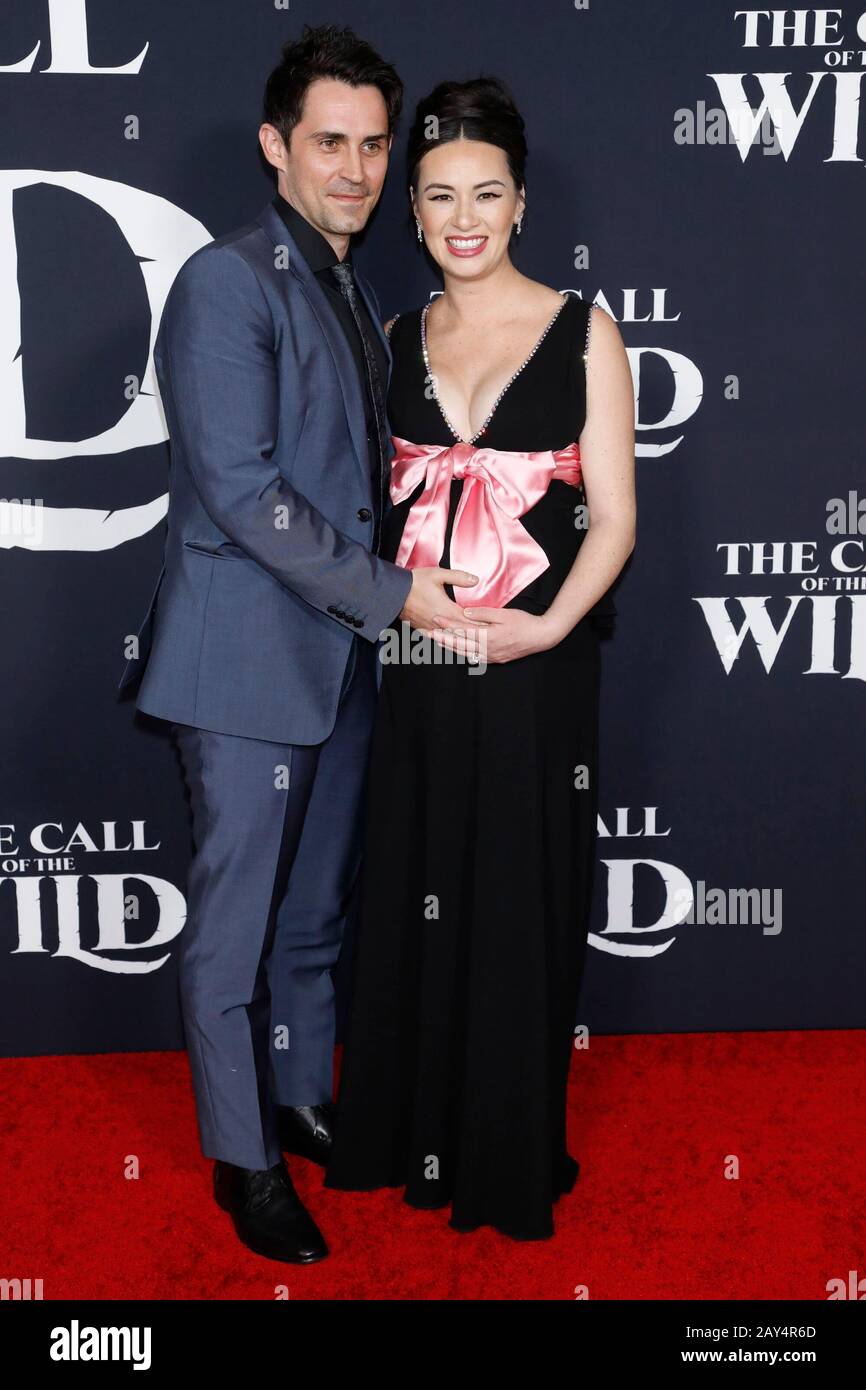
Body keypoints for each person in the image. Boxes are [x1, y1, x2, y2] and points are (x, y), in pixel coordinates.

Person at [117, 26, 476, 1265]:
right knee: (231, 932)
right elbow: (240, 486)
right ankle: (242, 1161)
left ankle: (298, 1098)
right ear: (276, 146)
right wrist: (397, 596)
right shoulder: (230, 280)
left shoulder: (346, 286)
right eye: (331, 142)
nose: (357, 169)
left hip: (339, 660)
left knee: (312, 912)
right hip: (246, 665)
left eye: (376, 146)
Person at [325, 77, 636, 1240]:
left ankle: (505, 1150)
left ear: (519, 205)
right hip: (416, 663)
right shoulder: (393, 335)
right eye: (439, 195)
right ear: (409, 208)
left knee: (517, 894)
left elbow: (613, 519)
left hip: (535, 667)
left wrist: (547, 626)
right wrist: (398, 609)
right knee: (415, 882)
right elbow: (365, 513)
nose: (464, 217)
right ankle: (411, 1133)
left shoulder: (581, 329)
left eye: (486, 194)